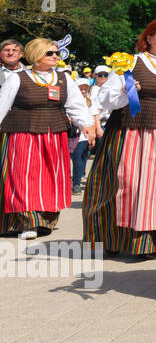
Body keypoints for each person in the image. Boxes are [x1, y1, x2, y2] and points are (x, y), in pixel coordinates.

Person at [83, 21, 156, 257]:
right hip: (134, 131)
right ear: (149, 37)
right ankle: (134, 241)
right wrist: (125, 90)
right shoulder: (130, 62)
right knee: (132, 184)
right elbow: (105, 99)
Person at [0, 38, 96, 235]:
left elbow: (75, 105)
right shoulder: (18, 78)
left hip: (55, 133)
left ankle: (46, 220)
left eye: (56, 53)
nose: (55, 56)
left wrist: (86, 124)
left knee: (52, 177)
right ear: (36, 55)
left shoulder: (63, 78)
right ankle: (27, 222)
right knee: (24, 177)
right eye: (50, 53)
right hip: (24, 133)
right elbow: (2, 106)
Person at [70, 80, 97, 193]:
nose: (83, 90)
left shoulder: (90, 102)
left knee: (81, 159)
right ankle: (71, 182)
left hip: (86, 135)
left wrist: (93, 134)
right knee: (74, 159)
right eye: (81, 88)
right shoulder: (71, 100)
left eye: (85, 88)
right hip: (73, 134)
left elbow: (94, 118)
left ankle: (76, 183)